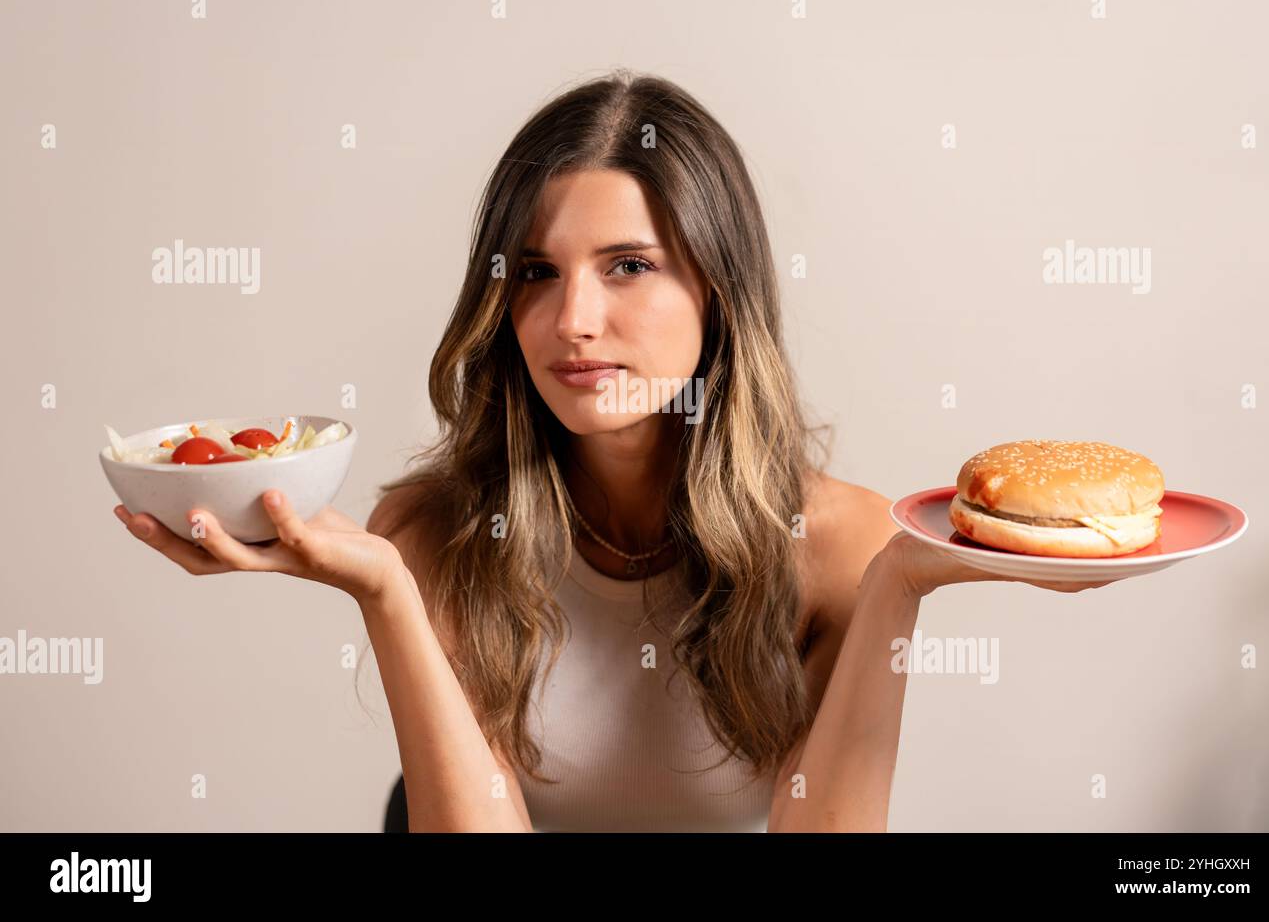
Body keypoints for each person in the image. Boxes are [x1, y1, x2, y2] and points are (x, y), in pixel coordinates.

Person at [113, 69, 1116, 832]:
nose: (572, 320)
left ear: (716, 290)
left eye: (628, 265)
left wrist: (901, 581)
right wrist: (383, 589)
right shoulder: (428, 534)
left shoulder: (841, 541)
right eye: (537, 272)